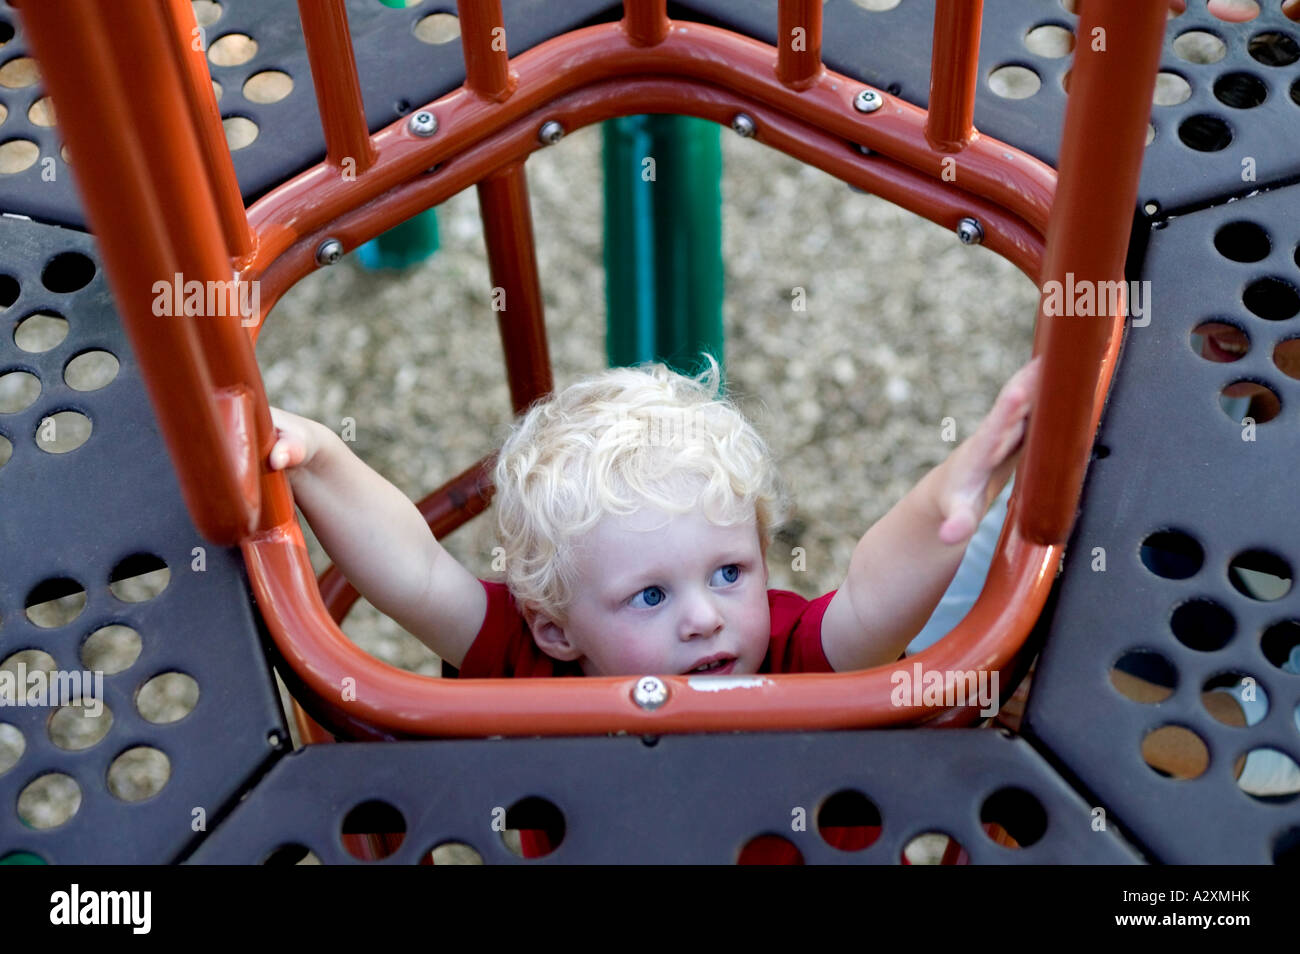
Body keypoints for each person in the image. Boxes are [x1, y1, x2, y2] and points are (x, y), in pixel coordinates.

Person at [268, 353, 1041, 683]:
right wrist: (322, 458)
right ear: (556, 628)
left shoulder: (784, 660)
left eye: (730, 571)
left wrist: (960, 491)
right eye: (651, 595)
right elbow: (414, 571)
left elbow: (873, 592)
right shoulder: (531, 663)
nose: (707, 618)